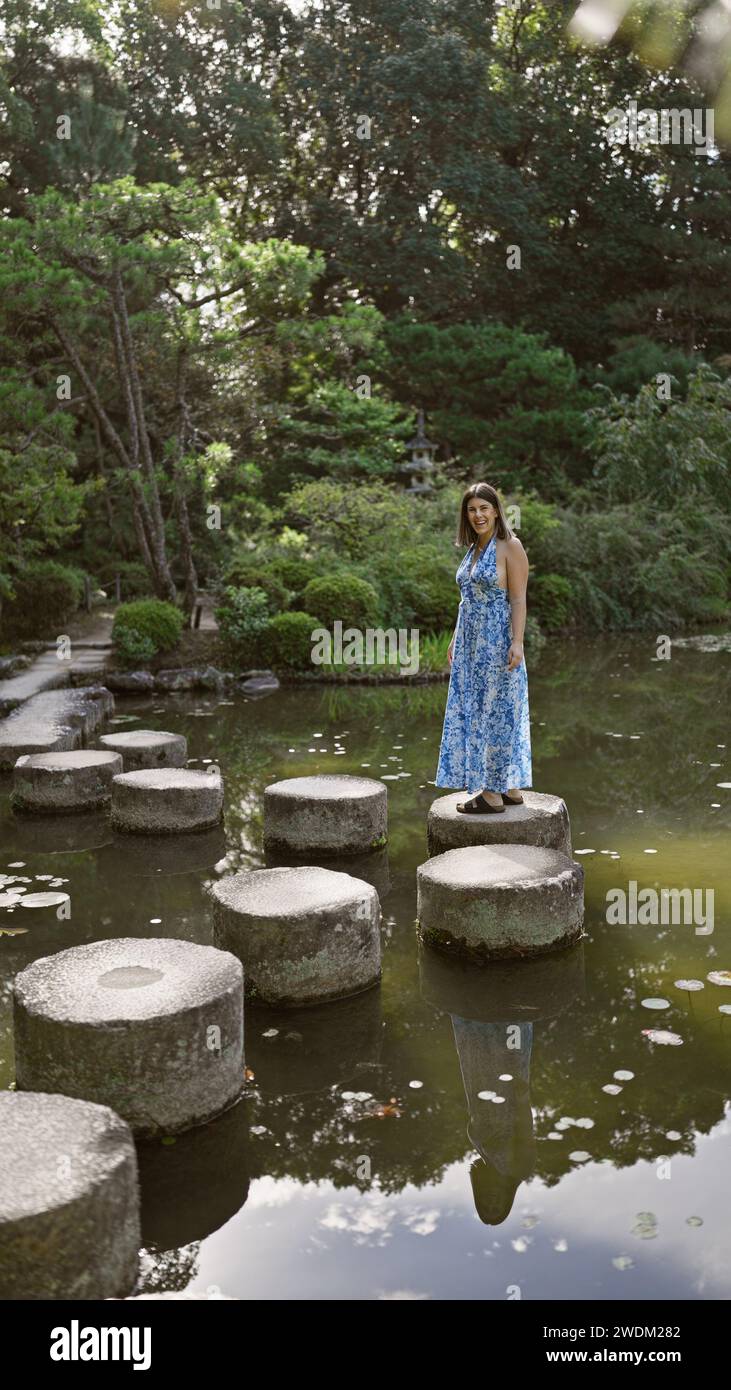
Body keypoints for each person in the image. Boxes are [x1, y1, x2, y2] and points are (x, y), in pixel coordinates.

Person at [435, 482, 532, 813]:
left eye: (484, 508)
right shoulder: (474, 548)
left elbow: (518, 598)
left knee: (498, 711)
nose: (478, 515)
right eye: (472, 509)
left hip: (497, 641)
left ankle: (492, 794)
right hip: (469, 644)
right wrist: (454, 637)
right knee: (478, 710)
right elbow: (467, 601)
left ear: (496, 511)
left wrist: (517, 642)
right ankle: (509, 787)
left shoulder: (510, 546)